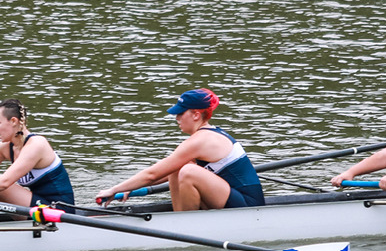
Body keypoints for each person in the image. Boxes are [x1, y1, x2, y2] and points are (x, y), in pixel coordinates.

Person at [95, 89, 265, 210]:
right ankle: (184, 218)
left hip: (249, 207)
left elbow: (151, 174)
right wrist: (129, 187)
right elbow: (161, 172)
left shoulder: (202, 140)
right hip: (229, 198)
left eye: (180, 113)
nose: (177, 118)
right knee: (177, 169)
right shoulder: (203, 137)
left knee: (188, 171)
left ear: (196, 114)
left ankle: (184, 223)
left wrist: (114, 189)